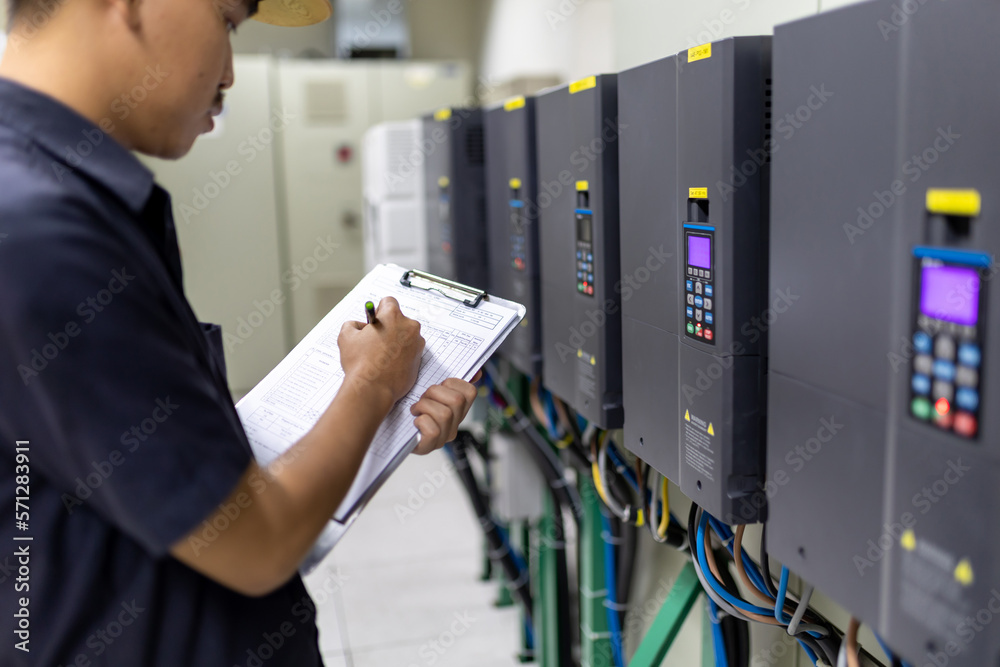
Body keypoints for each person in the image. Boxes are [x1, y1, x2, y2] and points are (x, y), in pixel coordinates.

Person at [0, 0, 479, 664]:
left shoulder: (53, 198)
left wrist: (381, 414)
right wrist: (372, 382)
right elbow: (255, 542)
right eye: (227, 22)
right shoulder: (42, 233)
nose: (229, 72)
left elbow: (162, 467)